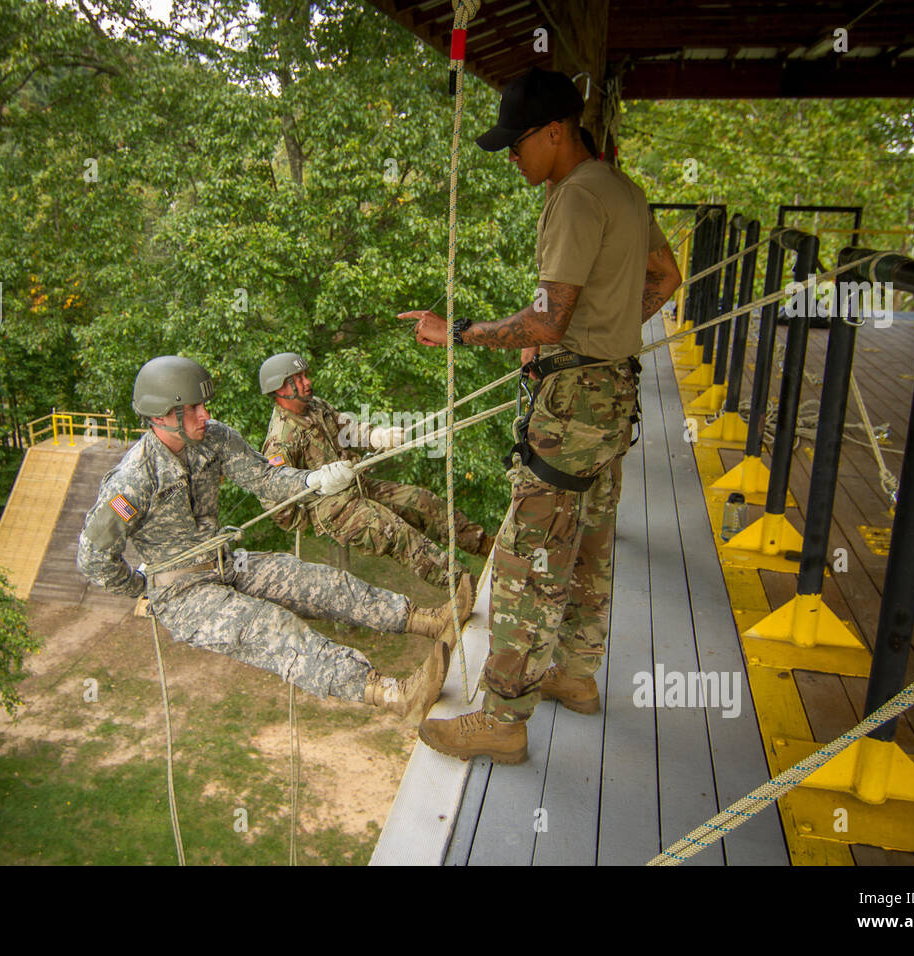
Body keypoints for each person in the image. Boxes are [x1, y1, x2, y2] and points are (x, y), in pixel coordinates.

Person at [400, 68, 682, 763]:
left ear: (555, 132)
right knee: (589, 539)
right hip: (615, 397)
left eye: (519, 143)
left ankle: (502, 717)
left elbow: (548, 321)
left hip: (573, 409)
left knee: (529, 556)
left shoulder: (575, 198)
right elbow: (665, 279)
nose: (513, 157)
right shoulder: (623, 190)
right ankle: (576, 675)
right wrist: (609, 337)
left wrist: (457, 330)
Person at [76, 355, 472, 723]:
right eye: (193, 408)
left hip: (228, 564)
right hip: (183, 595)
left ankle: (430, 622)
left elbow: (263, 477)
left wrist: (310, 480)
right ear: (164, 415)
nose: (205, 414)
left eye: (202, 405)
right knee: (274, 630)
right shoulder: (134, 480)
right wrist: (139, 586)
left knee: (322, 583)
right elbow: (93, 557)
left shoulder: (214, 439)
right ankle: (396, 694)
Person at [258, 352, 490, 591]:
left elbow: (346, 428)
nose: (307, 382)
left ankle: (483, 544)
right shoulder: (280, 439)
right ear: (280, 388)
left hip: (358, 487)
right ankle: (465, 587)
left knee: (422, 501)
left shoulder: (316, 407)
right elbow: (272, 498)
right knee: (399, 535)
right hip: (334, 510)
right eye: (298, 379)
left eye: (305, 375)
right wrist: (309, 516)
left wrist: (376, 436)